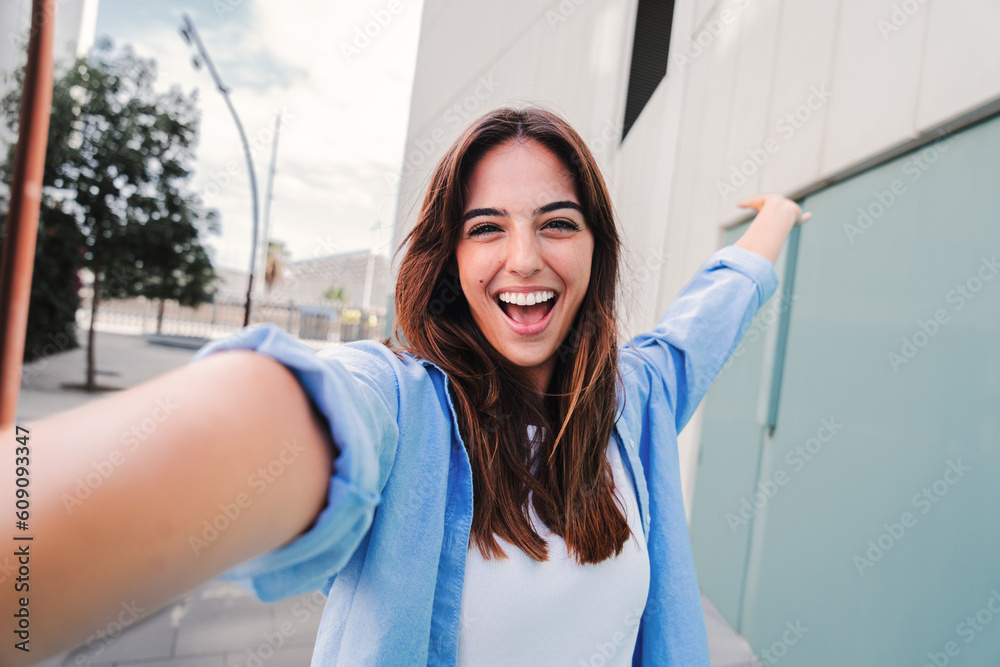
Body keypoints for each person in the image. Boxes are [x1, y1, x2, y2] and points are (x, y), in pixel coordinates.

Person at [0, 106, 808, 666]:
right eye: (486, 227)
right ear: (451, 260)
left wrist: (773, 218)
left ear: (597, 248)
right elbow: (290, 416)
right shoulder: (401, 404)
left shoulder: (636, 398)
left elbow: (714, 310)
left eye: (557, 222)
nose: (524, 258)